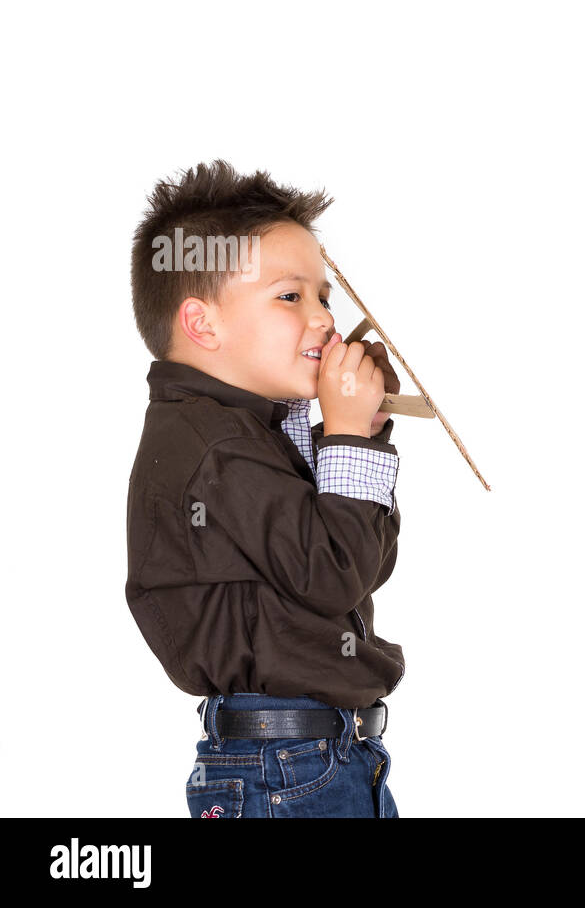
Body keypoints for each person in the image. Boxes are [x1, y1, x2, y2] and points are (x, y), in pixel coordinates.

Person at [125, 160, 405, 817]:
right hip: (286, 769)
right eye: (291, 296)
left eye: (325, 297)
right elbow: (335, 572)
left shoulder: (257, 434)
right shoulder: (215, 444)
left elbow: (365, 568)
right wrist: (348, 439)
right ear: (204, 325)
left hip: (312, 759)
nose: (325, 320)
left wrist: (359, 432)